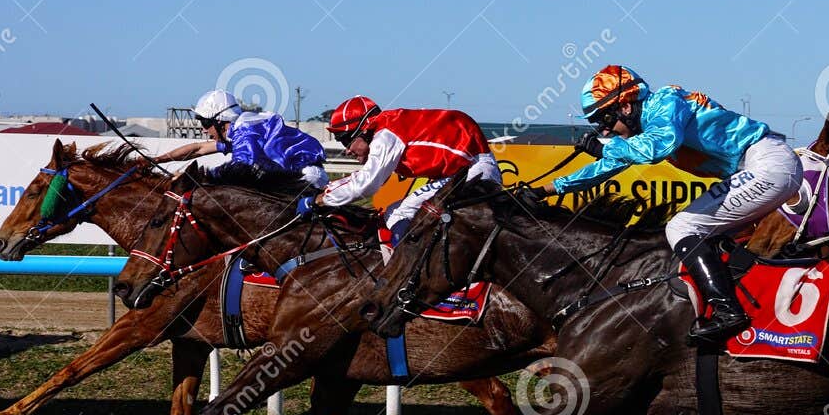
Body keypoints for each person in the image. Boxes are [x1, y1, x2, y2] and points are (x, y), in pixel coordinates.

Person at [543, 65, 802, 344]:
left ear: (626, 106)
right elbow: (611, 164)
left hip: (768, 164)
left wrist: (604, 147)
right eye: (597, 123)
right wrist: (546, 189)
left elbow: (660, 146)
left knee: (682, 226)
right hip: (758, 166)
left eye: (604, 118)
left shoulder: (665, 103)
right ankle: (750, 306)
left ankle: (729, 313)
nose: (603, 129)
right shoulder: (648, 125)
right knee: (707, 237)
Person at [308, 95, 499, 243]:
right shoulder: (388, 127)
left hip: (472, 171)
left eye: (346, 140)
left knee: (398, 212)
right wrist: (328, 190)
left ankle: (405, 276)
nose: (347, 150)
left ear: (364, 130)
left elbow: (365, 185)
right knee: (401, 211)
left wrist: (322, 198)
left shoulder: (385, 135)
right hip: (468, 169)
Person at [156, 90, 328, 188]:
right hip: (295, 175)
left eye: (205, 122)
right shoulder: (238, 130)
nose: (203, 129)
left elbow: (240, 169)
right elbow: (198, 148)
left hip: (304, 177)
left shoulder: (244, 131)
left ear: (219, 121)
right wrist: (156, 160)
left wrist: (194, 177)